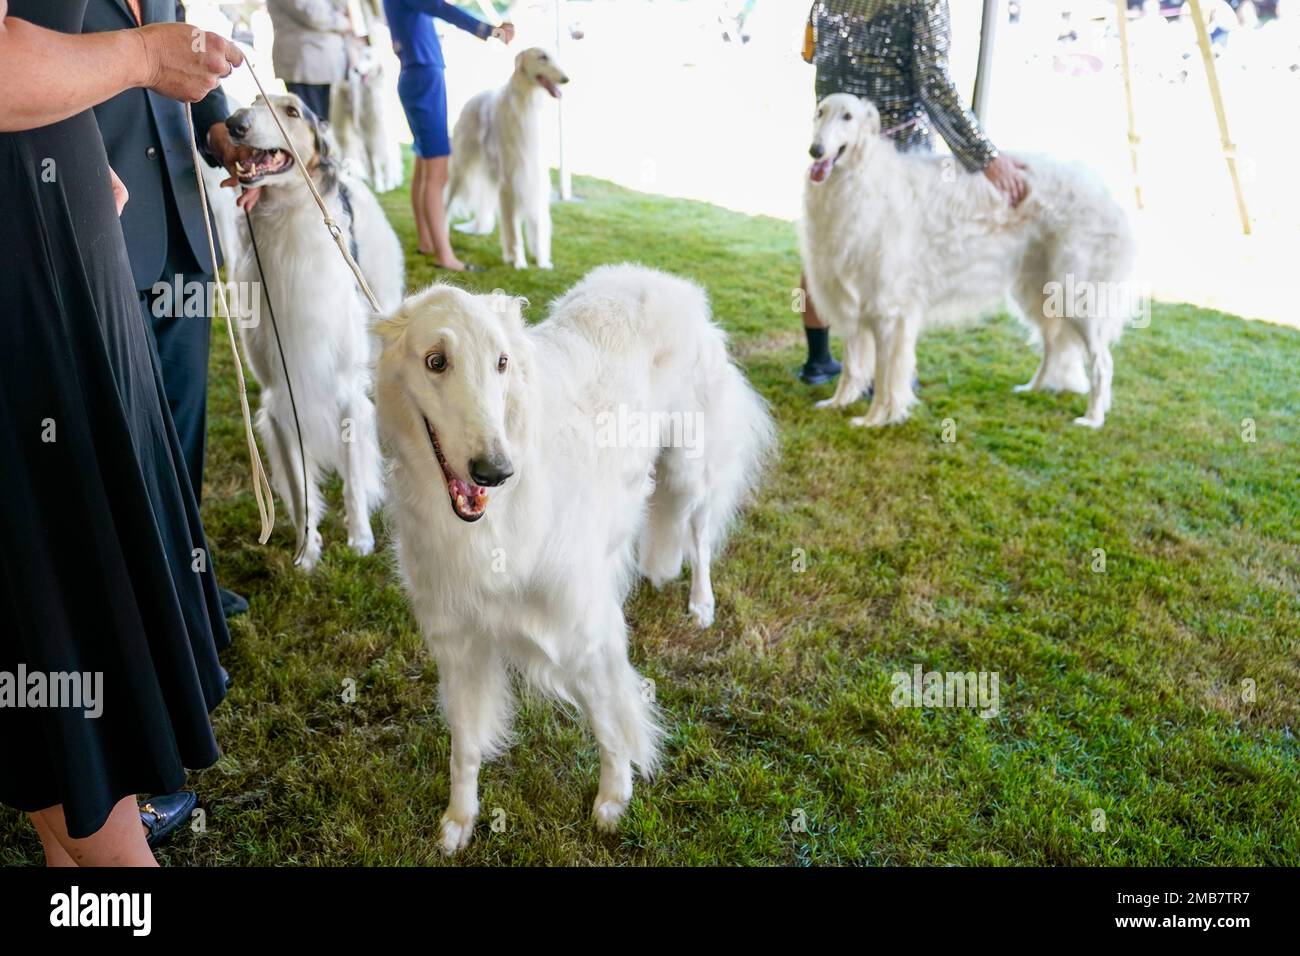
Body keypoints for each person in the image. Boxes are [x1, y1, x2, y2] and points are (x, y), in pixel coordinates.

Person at [0, 0, 238, 865]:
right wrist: (141, 56)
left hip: (60, 236)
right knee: (55, 616)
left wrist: (80, 155)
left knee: (57, 636)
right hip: (26, 284)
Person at [83, 0, 251, 622]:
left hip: (183, 228)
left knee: (184, 421)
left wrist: (223, 138)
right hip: (105, 232)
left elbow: (184, 69)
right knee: (126, 430)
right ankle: (136, 596)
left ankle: (189, 578)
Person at [797, 0, 1029, 386]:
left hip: (837, 141)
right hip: (895, 150)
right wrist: (985, 156)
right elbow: (934, 82)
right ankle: (884, 375)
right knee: (889, 265)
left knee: (828, 246)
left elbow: (813, 54)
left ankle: (819, 360)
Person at [383, 0, 515, 271]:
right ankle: (445, 256)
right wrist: (490, 30)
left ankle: (427, 241)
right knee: (437, 172)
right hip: (423, 76)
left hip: (418, 75)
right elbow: (440, 8)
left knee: (425, 165)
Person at [265, 0, 353, 122]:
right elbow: (313, 14)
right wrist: (345, 23)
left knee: (330, 128)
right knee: (314, 126)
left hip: (329, 65)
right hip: (306, 66)